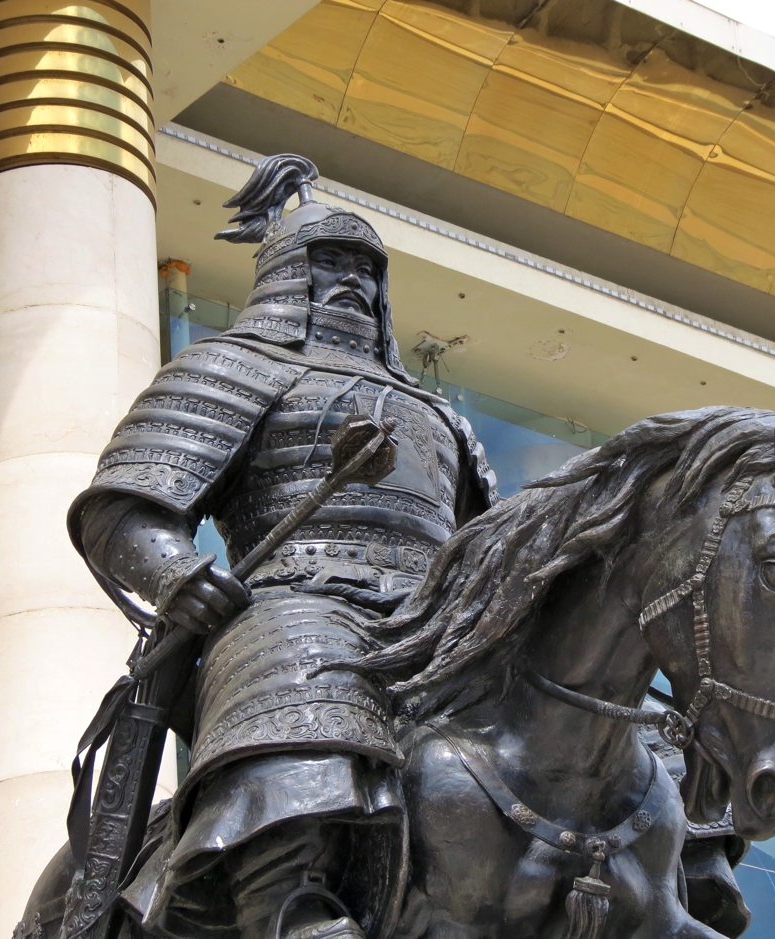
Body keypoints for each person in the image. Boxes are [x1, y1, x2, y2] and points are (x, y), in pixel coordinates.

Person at [67, 154, 497, 939]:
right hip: (294, 599)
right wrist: (176, 573)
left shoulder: (440, 415)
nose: (350, 280)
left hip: (436, 625)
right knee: (304, 665)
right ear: (284, 272)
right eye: (328, 260)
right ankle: (283, 904)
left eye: (366, 267)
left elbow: (489, 545)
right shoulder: (229, 367)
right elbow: (125, 506)